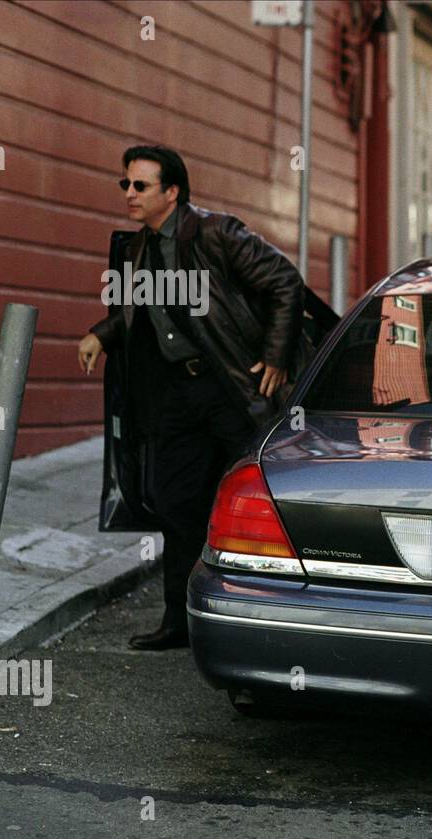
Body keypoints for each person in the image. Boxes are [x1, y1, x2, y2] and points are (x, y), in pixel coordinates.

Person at [77, 144, 306, 651]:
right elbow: (141, 311)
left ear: (172, 191)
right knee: (176, 500)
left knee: (255, 502)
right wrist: (103, 333)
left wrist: (275, 356)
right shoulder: (138, 250)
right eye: (126, 185)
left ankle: (264, 621)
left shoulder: (216, 233)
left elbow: (285, 282)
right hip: (177, 393)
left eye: (141, 185)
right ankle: (179, 622)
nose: (129, 194)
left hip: (228, 387)